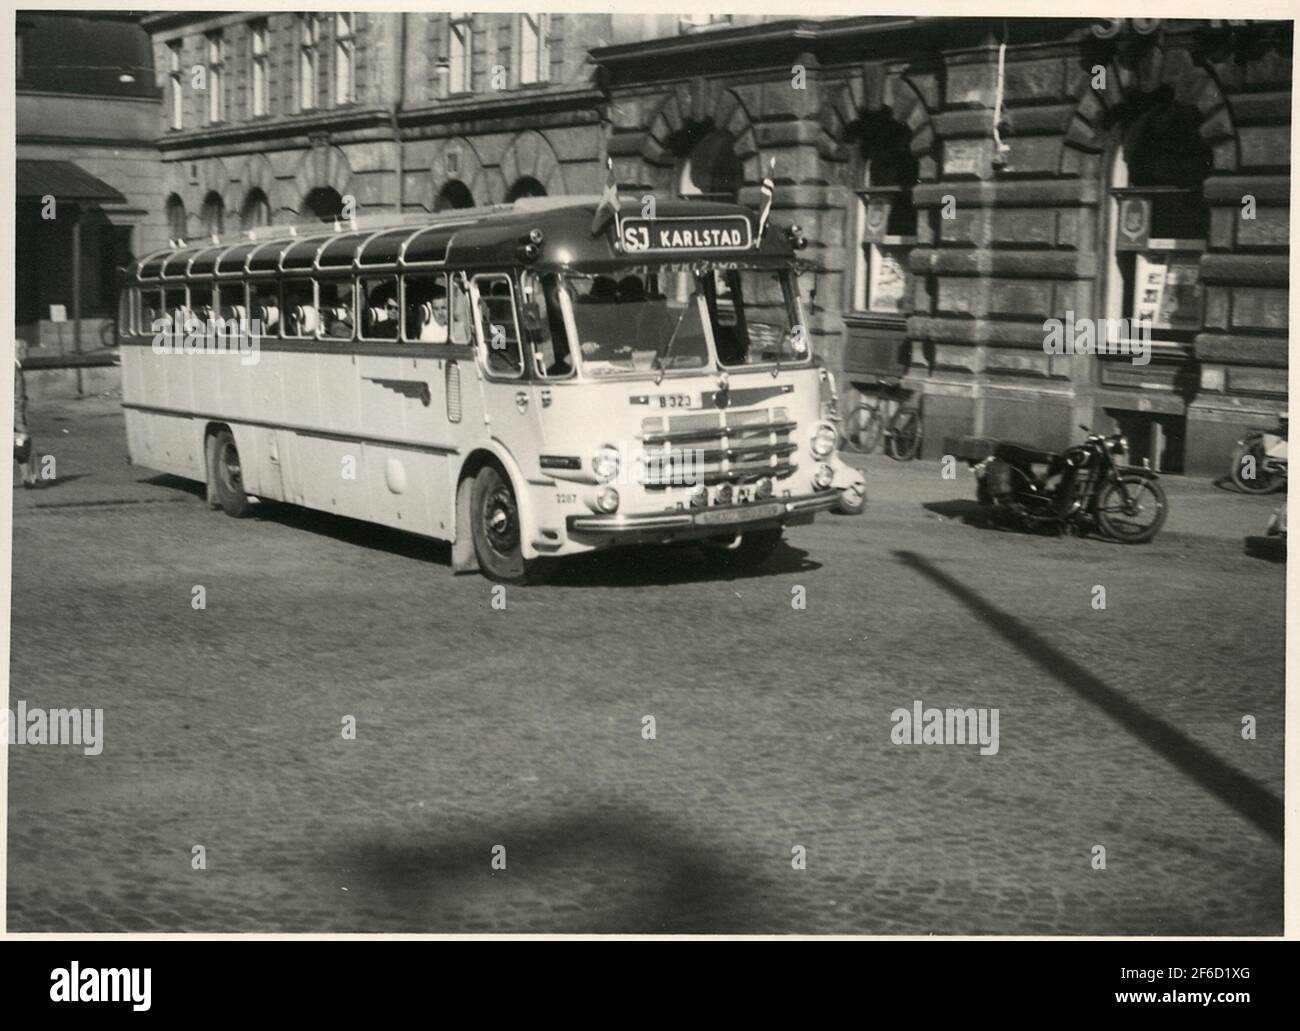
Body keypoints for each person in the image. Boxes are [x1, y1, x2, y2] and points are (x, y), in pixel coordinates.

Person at [14, 339, 38, 488]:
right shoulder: (14, 368)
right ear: (20, 351)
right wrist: (20, 423)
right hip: (15, 416)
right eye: (26, 351)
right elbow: (16, 398)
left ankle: (27, 478)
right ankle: (29, 479)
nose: (27, 354)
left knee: (21, 446)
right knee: (22, 444)